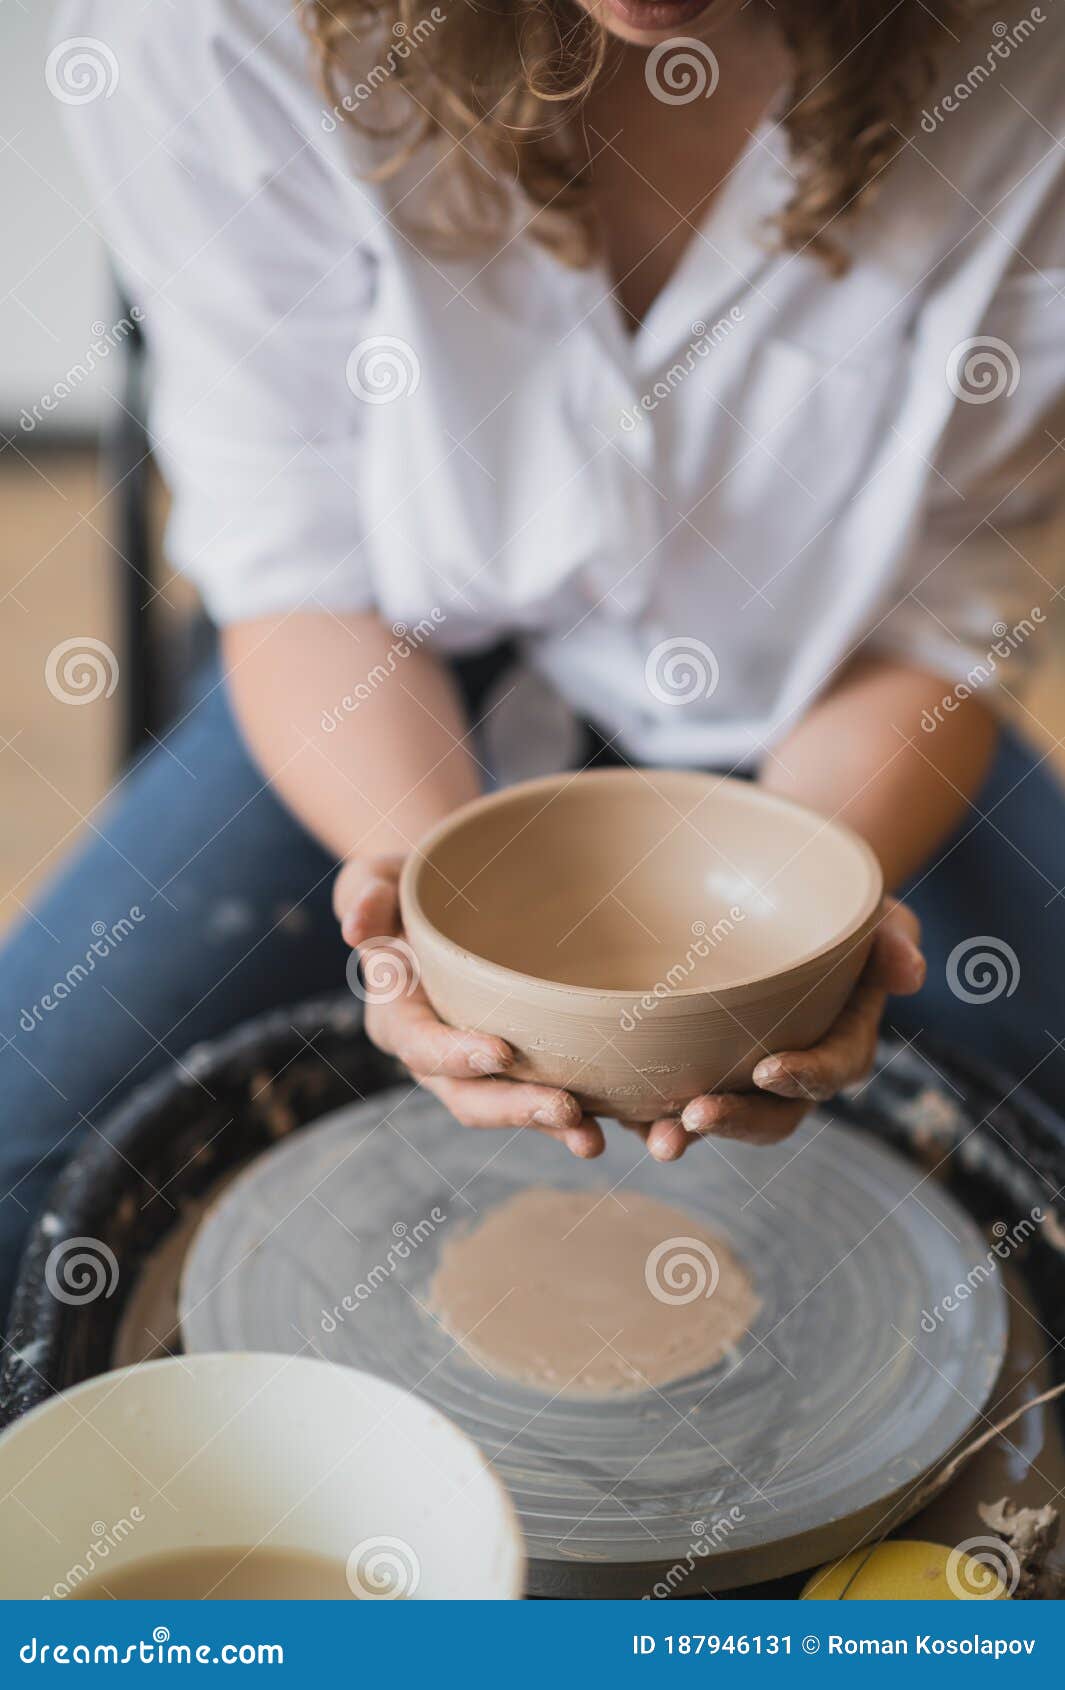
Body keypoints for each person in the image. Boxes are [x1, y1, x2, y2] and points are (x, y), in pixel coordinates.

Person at [3, 0, 1063, 1321]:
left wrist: (801, 922)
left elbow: (941, 612)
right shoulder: (201, 26)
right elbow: (297, 573)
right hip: (385, 672)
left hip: (821, 693)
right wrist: (441, 923)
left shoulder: (1023, 48)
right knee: (23, 1177)